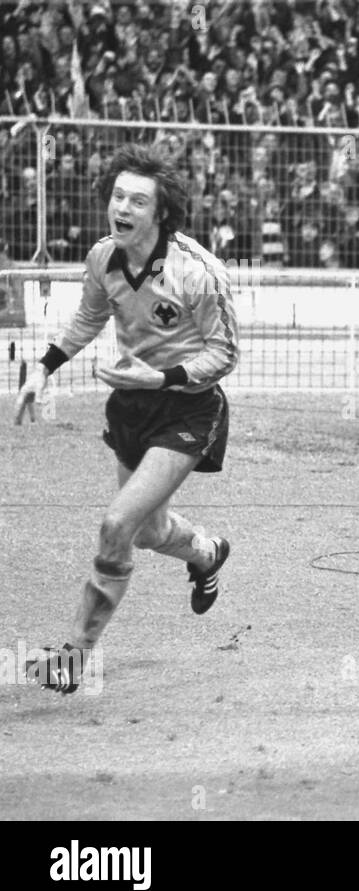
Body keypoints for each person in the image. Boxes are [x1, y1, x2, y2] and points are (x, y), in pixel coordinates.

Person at [18, 143, 240, 694]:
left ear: (161, 213)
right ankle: (208, 554)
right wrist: (43, 368)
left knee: (117, 524)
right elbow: (89, 317)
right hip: (130, 408)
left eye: (137, 200)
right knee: (148, 532)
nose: (122, 207)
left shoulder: (198, 273)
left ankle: (73, 656)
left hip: (187, 407)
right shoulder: (102, 259)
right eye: (117, 195)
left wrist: (161, 378)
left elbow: (224, 353)